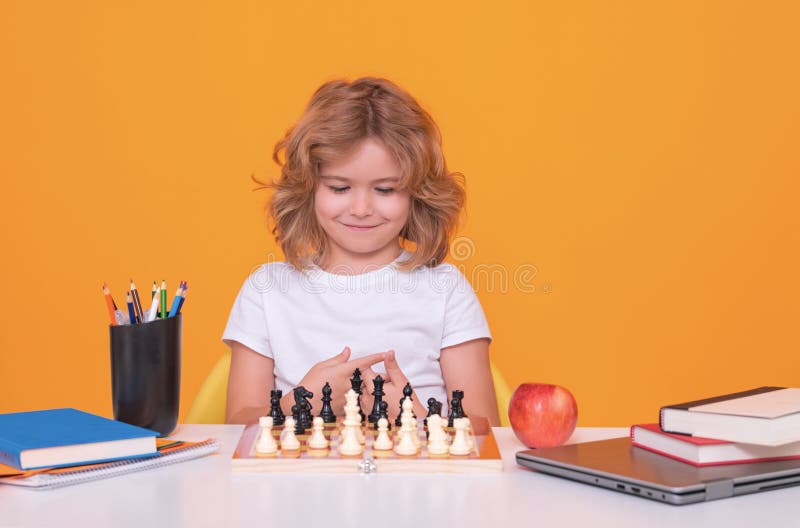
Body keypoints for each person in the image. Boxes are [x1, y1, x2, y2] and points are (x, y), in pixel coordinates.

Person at [223, 77, 499, 426]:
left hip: (419, 462)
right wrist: (302, 401)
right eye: (340, 188)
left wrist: (416, 417)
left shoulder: (446, 290)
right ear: (307, 188)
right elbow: (237, 425)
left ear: (417, 193)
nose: (361, 209)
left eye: (385, 190)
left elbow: (487, 429)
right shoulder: (266, 291)